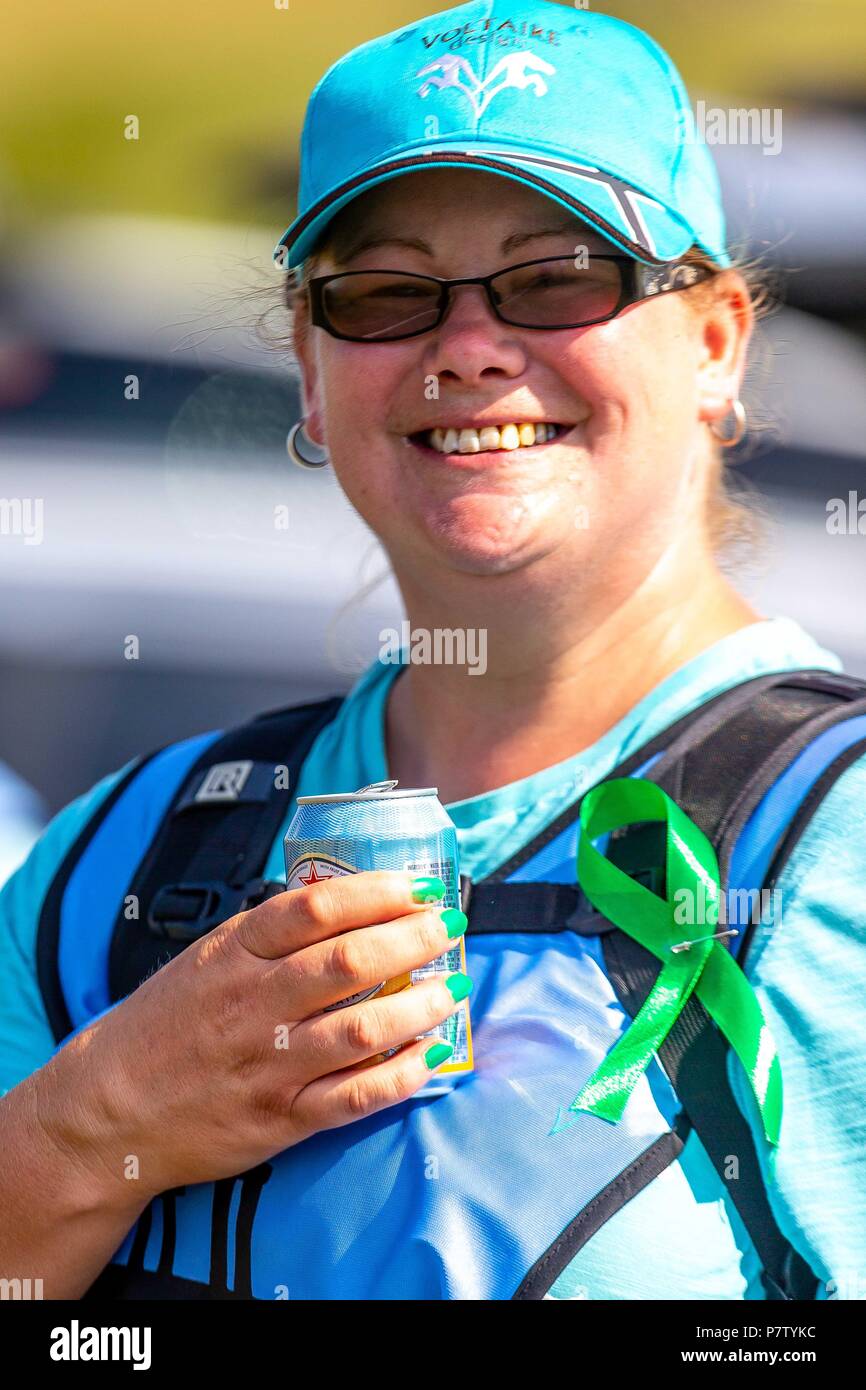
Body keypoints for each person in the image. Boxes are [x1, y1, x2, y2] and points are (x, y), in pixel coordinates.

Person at [1, 0, 865, 1302]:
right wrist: (85, 1135)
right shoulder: (109, 863)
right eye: (387, 293)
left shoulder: (836, 842)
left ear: (713, 340)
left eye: (559, 273)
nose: (467, 347)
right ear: (308, 368)